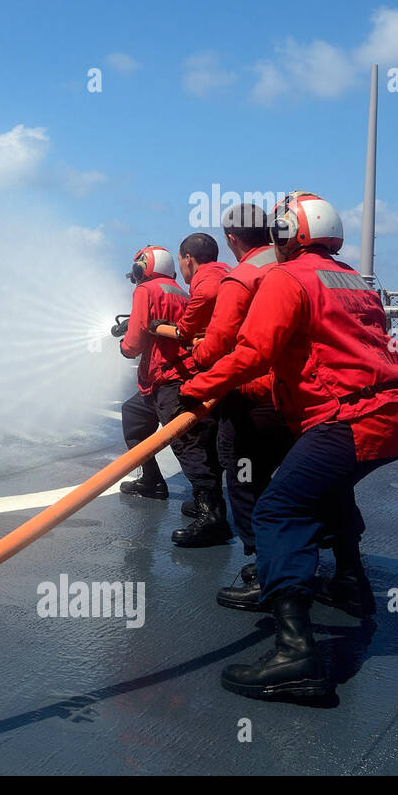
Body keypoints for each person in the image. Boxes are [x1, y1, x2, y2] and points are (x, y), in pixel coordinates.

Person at [180, 191, 398, 700]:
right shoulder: (353, 281)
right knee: (324, 489)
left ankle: (296, 653)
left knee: (278, 510)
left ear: (284, 234)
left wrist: (198, 388)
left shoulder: (287, 278)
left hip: (354, 414)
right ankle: (350, 583)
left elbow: (253, 351)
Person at [180, 205, 295, 601]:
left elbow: (218, 347)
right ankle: (342, 570)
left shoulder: (241, 277)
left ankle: (267, 571)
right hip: (302, 402)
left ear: (231, 240)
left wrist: (196, 362)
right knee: (307, 484)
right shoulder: (290, 268)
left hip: (253, 400)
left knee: (245, 481)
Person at [116, 246, 226, 547]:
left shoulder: (145, 289)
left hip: (167, 380)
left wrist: (125, 347)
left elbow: (137, 338)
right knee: (135, 416)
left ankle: (212, 515)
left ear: (142, 268)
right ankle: (151, 480)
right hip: (169, 378)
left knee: (186, 444)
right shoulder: (179, 289)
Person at [159, 232, 232, 547]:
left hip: (225, 375)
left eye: (182, 261)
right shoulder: (227, 275)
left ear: (188, 258)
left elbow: (185, 331)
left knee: (187, 438)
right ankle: (208, 505)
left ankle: (212, 515)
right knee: (214, 441)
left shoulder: (205, 285)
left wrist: (154, 327)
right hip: (232, 374)